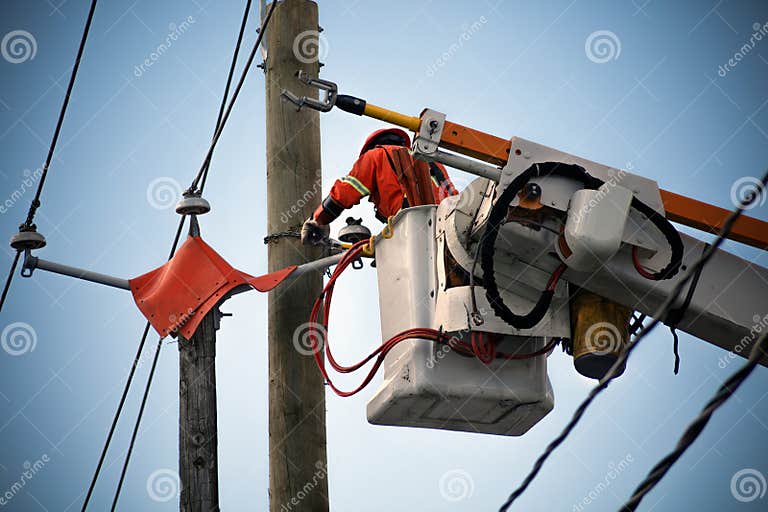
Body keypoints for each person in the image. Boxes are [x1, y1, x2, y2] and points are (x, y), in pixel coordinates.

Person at [301, 128, 458, 245]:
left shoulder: (375, 155)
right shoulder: (433, 163)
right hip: (450, 233)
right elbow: (455, 197)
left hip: (412, 229)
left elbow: (345, 191)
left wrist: (318, 220)